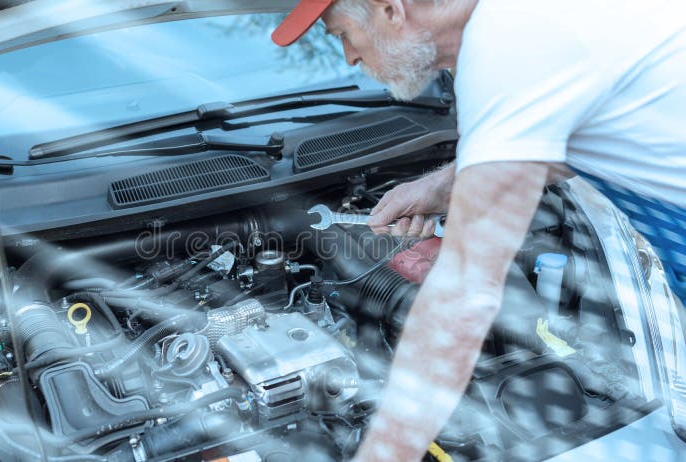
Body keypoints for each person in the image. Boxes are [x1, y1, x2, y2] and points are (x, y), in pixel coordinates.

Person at [271, 0, 686, 460]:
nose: (349, 58)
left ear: (390, 10)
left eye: (343, 35)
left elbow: (463, 299)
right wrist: (440, 187)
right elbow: (569, 142)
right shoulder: (522, 21)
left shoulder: (503, 52)